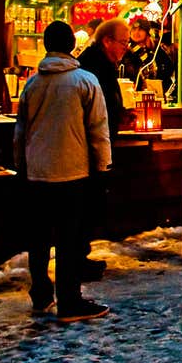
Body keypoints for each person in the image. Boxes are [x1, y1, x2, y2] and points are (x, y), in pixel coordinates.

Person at [14, 21, 112, 322]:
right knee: (69, 238)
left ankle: (41, 295)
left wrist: (21, 164)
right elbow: (98, 129)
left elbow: (21, 131)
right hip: (72, 170)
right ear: (72, 46)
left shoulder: (33, 83)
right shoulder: (85, 81)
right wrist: (103, 165)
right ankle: (70, 301)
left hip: (37, 171)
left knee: (39, 237)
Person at [74, 17, 132, 282]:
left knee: (89, 203)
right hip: (89, 146)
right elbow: (97, 110)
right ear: (107, 41)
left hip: (96, 142)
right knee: (85, 203)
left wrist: (121, 114)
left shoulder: (101, 64)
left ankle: (79, 257)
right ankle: (76, 261)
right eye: (123, 42)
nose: (126, 47)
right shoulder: (94, 67)